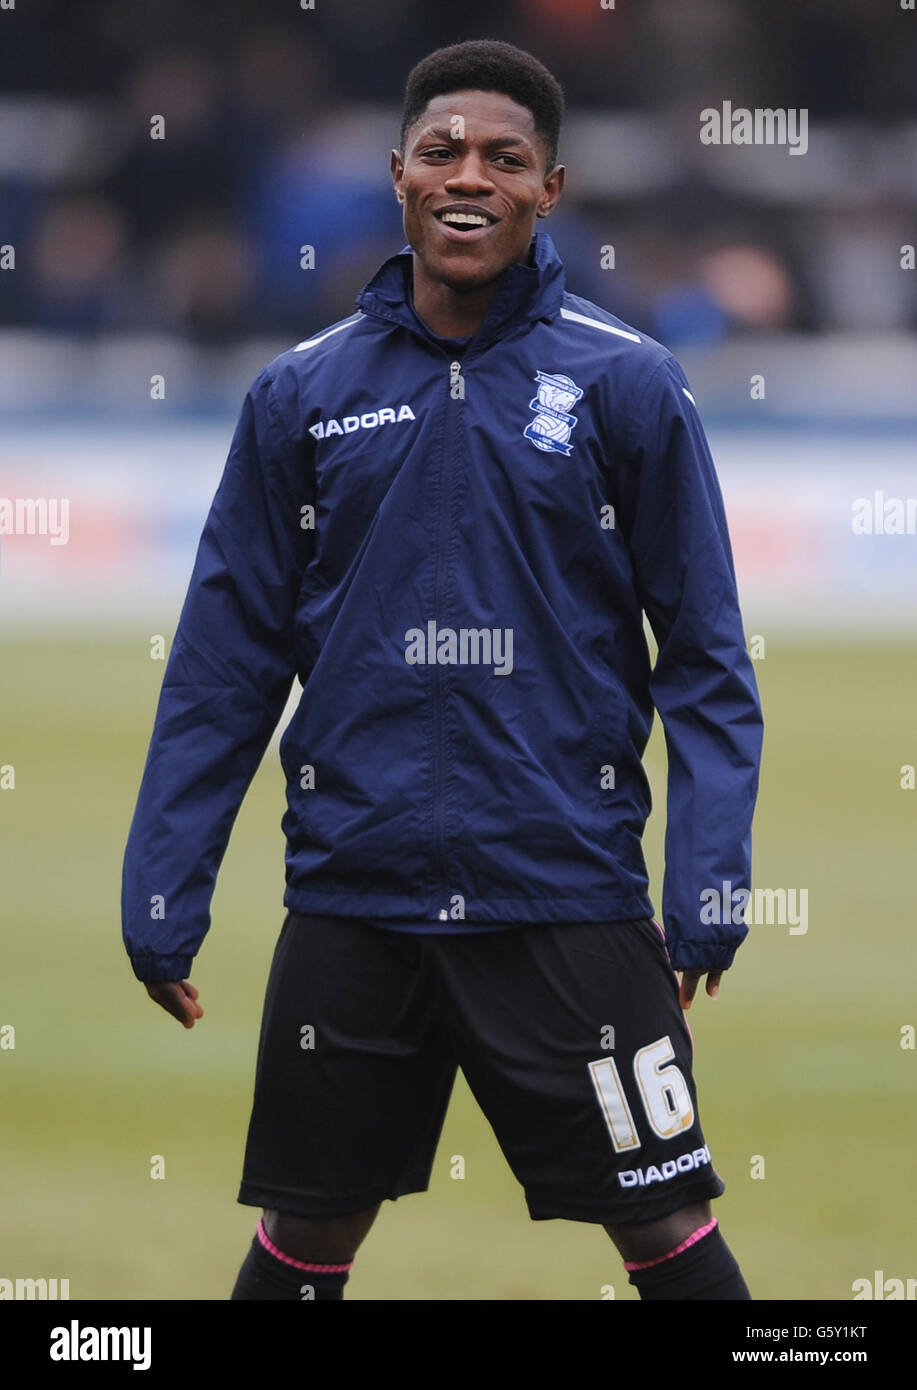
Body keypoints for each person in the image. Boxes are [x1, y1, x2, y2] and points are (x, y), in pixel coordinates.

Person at [122, 39, 763, 1302]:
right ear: (399, 175)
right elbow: (222, 664)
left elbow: (703, 658)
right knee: (304, 1236)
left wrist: (706, 894)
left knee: (666, 1230)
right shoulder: (298, 395)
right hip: (355, 895)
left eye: (504, 159)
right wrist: (162, 889)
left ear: (549, 189)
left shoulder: (625, 382)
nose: (470, 176)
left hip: (562, 892)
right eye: (442, 152)